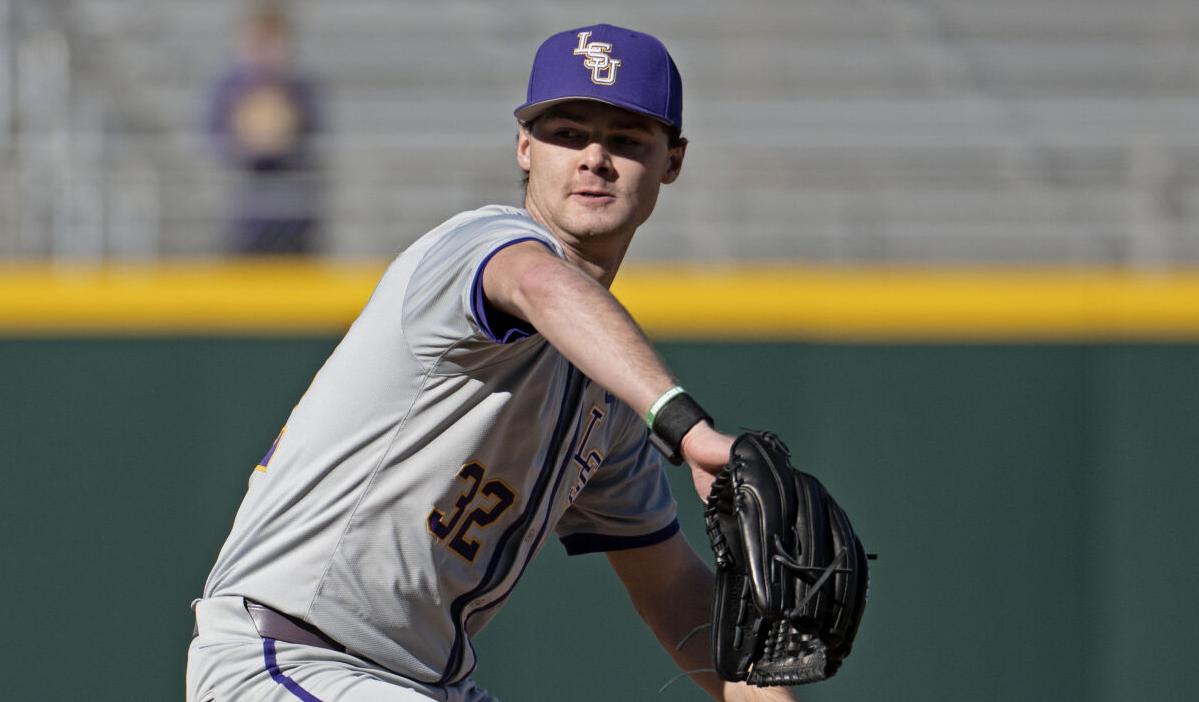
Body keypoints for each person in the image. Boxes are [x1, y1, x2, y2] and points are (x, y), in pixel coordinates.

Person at [187, 24, 798, 702]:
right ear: (524, 149)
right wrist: (685, 425)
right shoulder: (478, 244)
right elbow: (540, 285)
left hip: (425, 682)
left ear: (672, 161)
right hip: (292, 656)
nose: (594, 157)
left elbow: (670, 588)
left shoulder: (608, 400)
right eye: (567, 133)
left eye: (626, 140)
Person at [205, 1, 322, 255]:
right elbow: (214, 140)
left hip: (294, 218)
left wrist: (285, 132)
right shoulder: (228, 89)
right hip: (244, 219)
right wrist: (246, 138)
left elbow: (314, 143)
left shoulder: (300, 89)